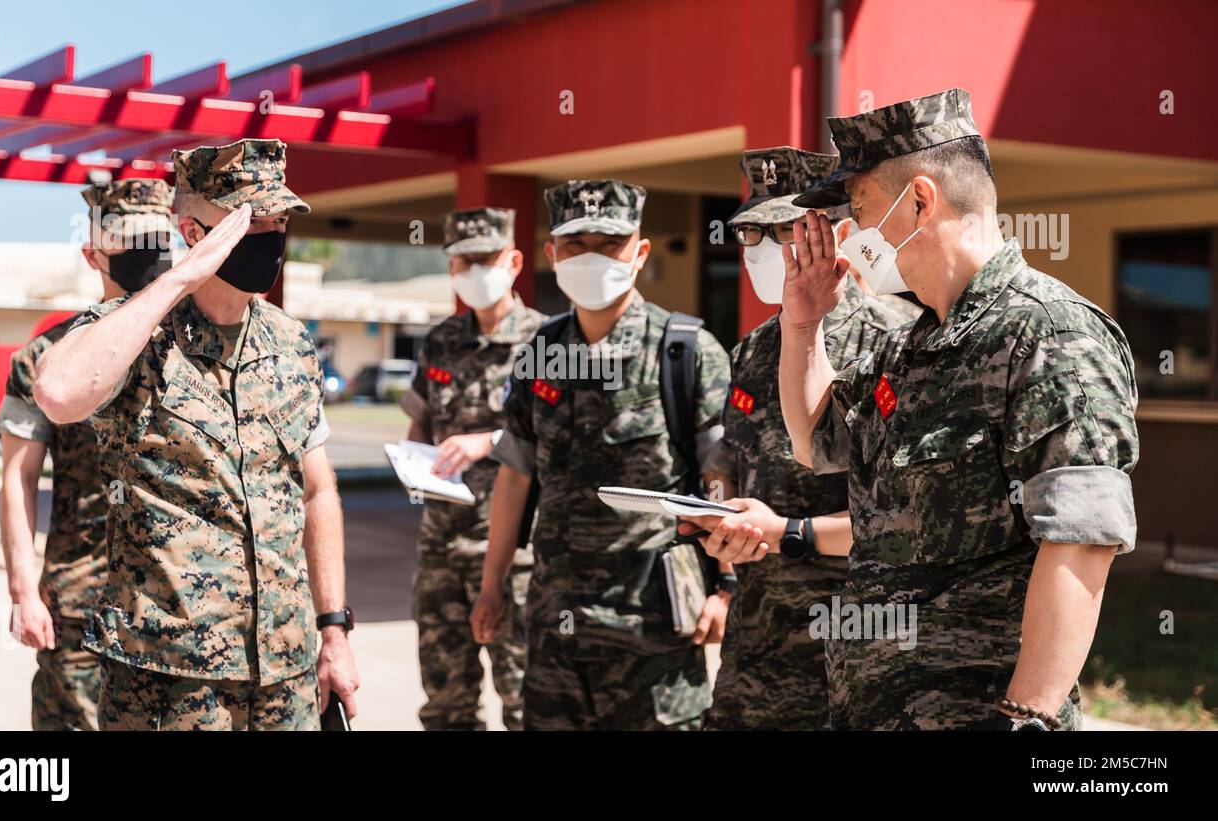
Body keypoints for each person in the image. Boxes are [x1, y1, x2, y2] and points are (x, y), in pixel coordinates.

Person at [779, 88, 1139, 730]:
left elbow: (1081, 543)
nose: (852, 236)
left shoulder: (1050, 335)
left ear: (920, 199)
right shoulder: (908, 346)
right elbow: (815, 441)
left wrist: (1027, 717)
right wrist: (803, 326)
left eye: (859, 211)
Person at [33, 139, 360, 730]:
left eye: (276, 220)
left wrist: (333, 630)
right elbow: (59, 394)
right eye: (245, 222)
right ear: (191, 229)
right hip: (169, 684)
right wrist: (179, 279)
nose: (267, 236)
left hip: (285, 675)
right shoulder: (135, 334)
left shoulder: (292, 343)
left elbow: (317, 492)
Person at [469, 180, 733, 730]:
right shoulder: (539, 353)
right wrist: (492, 584)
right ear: (552, 255)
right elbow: (515, 475)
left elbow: (721, 478)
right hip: (555, 628)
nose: (592, 256)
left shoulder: (684, 351)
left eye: (609, 243)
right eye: (576, 243)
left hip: (654, 633)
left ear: (639, 253)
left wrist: (728, 587)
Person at [678, 147, 918, 730]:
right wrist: (718, 514)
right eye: (751, 235)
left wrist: (788, 534)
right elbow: (725, 460)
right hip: (754, 655)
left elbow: (914, 517)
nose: (762, 250)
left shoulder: (900, 344)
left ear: (836, 231)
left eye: (783, 230)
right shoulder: (756, 348)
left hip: (854, 653)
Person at [0, 178, 175, 730]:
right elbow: (17, 478)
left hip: (182, 605)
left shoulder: (195, 347)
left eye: (157, 239)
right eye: (130, 241)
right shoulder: (48, 358)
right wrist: (25, 592)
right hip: (82, 604)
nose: (148, 253)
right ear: (93, 252)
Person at [400, 207, 544, 730]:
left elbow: (560, 441)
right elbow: (421, 421)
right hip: (441, 544)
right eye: (463, 261)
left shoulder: (548, 341)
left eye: (484, 259)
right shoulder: (441, 339)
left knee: (526, 697)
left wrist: (489, 441)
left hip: (515, 552)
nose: (473, 271)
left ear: (513, 261)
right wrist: (412, 460)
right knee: (445, 702)